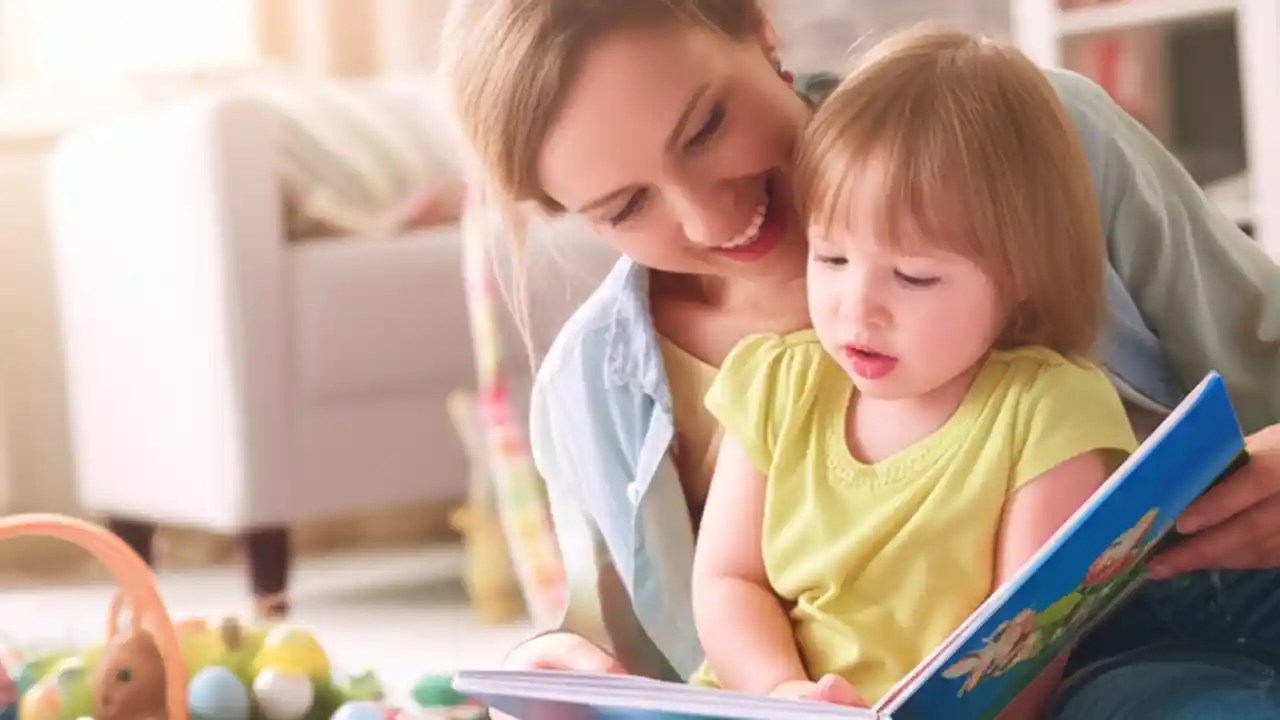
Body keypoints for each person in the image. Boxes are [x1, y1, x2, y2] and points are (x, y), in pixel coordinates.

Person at [439, 1, 1280, 717]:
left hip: (1189, 646)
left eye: (705, 128)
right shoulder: (593, 388)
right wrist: (557, 661)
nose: (704, 218)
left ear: (759, 31)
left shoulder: (1032, 142)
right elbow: (622, 647)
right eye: (624, 206)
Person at [690, 26, 1137, 716]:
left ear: (1019, 274)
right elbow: (727, 581)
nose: (856, 309)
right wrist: (784, 693)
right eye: (831, 259)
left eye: (913, 276)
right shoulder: (778, 384)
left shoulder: (1050, 410)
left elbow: (1024, 649)